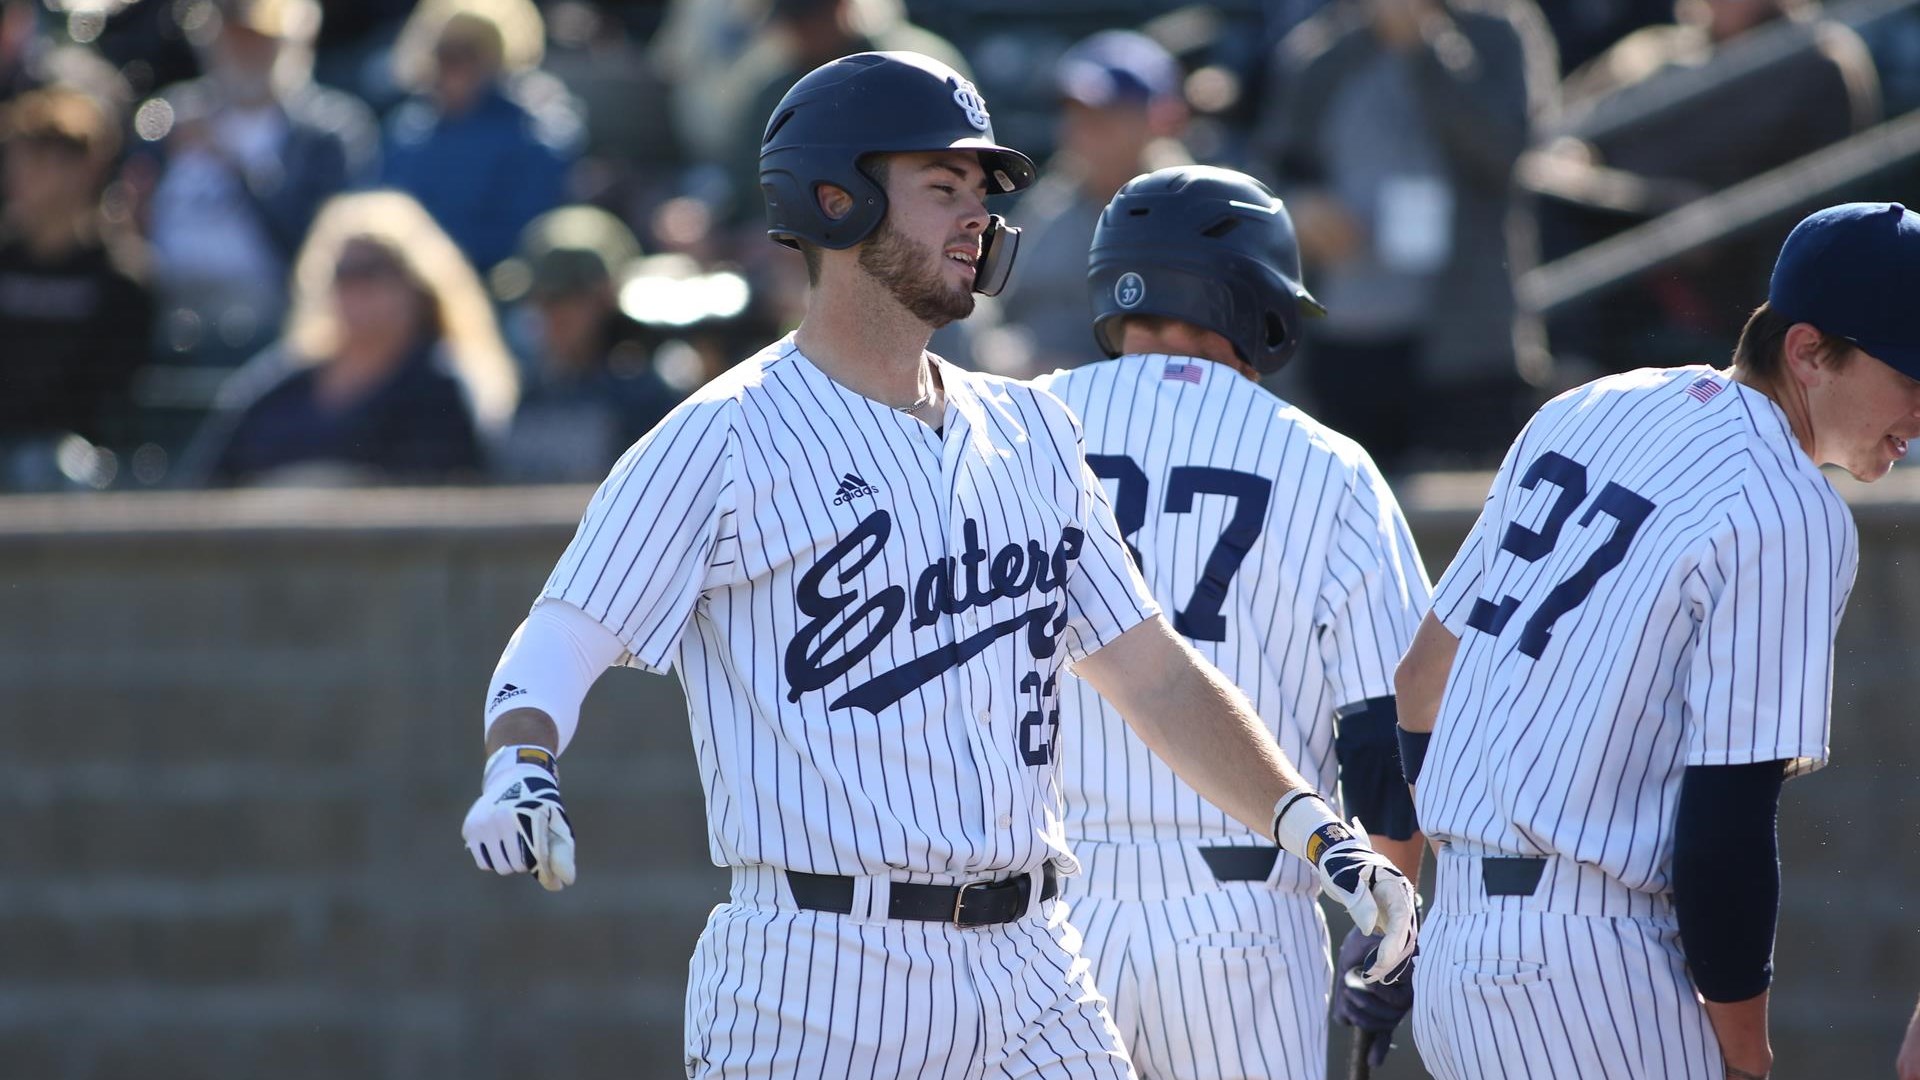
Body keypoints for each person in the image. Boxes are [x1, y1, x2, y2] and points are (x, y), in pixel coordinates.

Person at [458, 51, 1418, 1079]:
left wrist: (1316, 830)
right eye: (942, 185)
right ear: (836, 198)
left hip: (1035, 957)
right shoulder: (724, 437)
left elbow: (1155, 674)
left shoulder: (1032, 428)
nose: (978, 216)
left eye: (982, 192)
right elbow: (566, 630)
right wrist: (520, 761)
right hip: (818, 971)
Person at [1394, 202, 1920, 1079]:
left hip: (1457, 959)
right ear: (1807, 351)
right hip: (1595, 967)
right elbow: (1727, 818)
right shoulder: (1789, 507)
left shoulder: (1590, 407)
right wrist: (1747, 1052)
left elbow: (1419, 683)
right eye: (1913, 376)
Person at [1036, 165, 1430, 1077]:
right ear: (1262, 302)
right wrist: (1387, 917)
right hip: (1244, 918)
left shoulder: (1014, 427)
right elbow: (1387, 729)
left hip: (1041, 918)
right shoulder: (1326, 465)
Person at [1254, 0, 1558, 473]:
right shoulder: (1319, 50)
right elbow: (1276, 166)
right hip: (1349, 341)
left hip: (1469, 348)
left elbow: (1503, 157)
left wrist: (1426, 49)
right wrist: (1300, 206)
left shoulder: (1498, 32)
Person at [186, 190, 518, 486]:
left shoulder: (440, 392)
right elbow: (203, 497)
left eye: (372, 270)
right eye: (341, 273)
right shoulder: (277, 391)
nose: (353, 288)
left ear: (416, 284)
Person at [128, 0, 378, 369]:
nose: (244, 49)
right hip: (163, 302)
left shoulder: (328, 131)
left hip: (264, 312)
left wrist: (235, 168)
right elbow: (127, 209)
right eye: (232, 36)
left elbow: (313, 241)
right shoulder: (168, 116)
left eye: (260, 39)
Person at [999, 30, 1190, 375]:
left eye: (1103, 118)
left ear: (1157, 120)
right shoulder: (1055, 199)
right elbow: (1002, 306)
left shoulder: (1192, 211)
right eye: (1075, 115)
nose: (1079, 132)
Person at [0, 85, 153, 488]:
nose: (19, 178)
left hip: (74, 461)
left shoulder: (119, 278)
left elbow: (110, 399)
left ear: (82, 170)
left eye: (36, 162)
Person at [379, 0, 578, 275]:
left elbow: (523, 233)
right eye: (444, 52)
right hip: (415, 285)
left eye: (467, 53)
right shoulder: (409, 132)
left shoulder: (531, 134)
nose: (452, 66)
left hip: (497, 284)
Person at [494, 205, 686, 483]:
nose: (551, 316)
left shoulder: (647, 394)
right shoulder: (530, 389)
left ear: (604, 300)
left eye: (565, 299)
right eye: (541, 300)